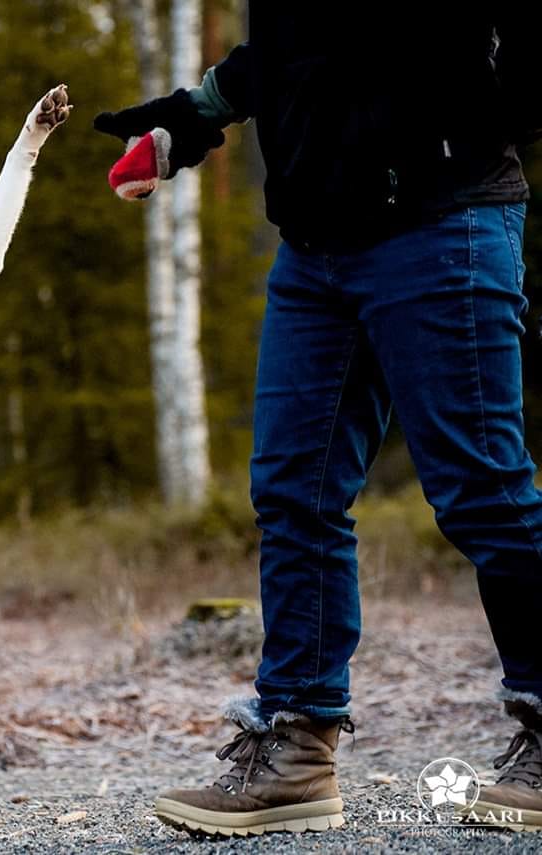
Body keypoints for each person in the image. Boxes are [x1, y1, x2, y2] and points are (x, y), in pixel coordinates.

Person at [95, 2, 542, 837]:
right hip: (315, 244)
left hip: (442, 224)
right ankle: (296, 748)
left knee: (481, 488)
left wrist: (454, 131)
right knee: (295, 494)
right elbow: (297, 45)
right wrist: (192, 120)